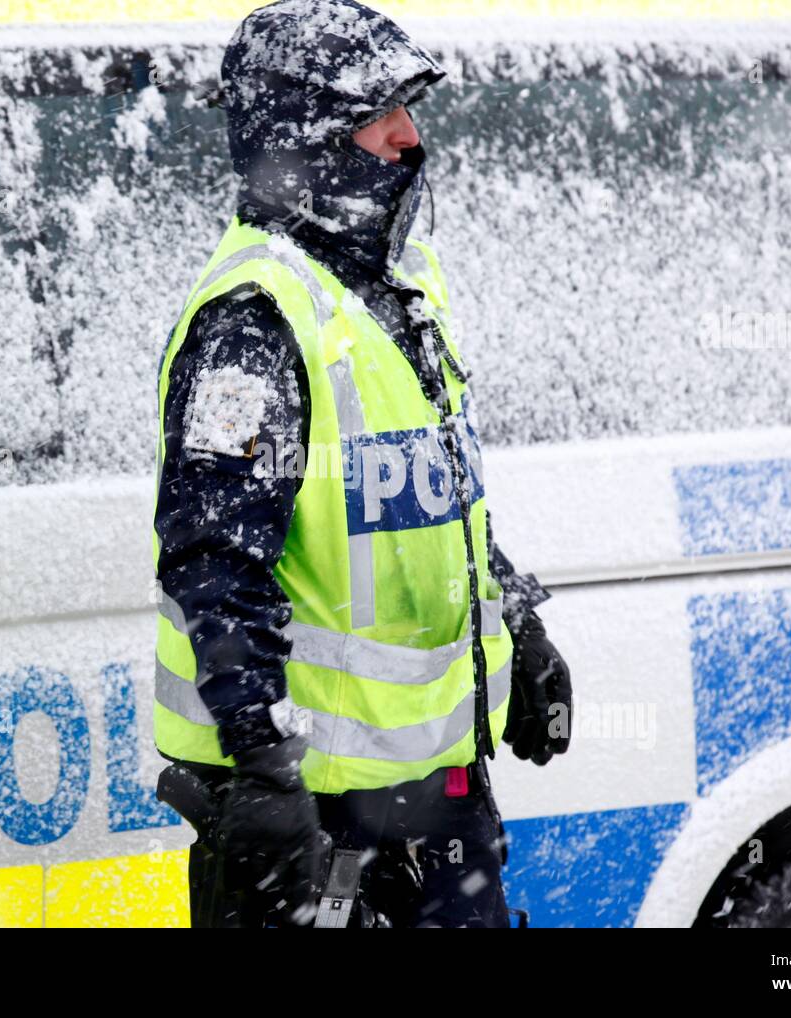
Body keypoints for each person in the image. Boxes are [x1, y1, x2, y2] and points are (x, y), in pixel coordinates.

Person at [151, 0, 572, 928]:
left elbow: (443, 495)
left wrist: (515, 629)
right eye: (377, 114)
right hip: (320, 821)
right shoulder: (255, 322)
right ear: (302, 138)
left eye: (409, 109)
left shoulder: (402, 288)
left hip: (439, 804)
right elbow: (216, 567)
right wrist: (264, 767)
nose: (409, 139)